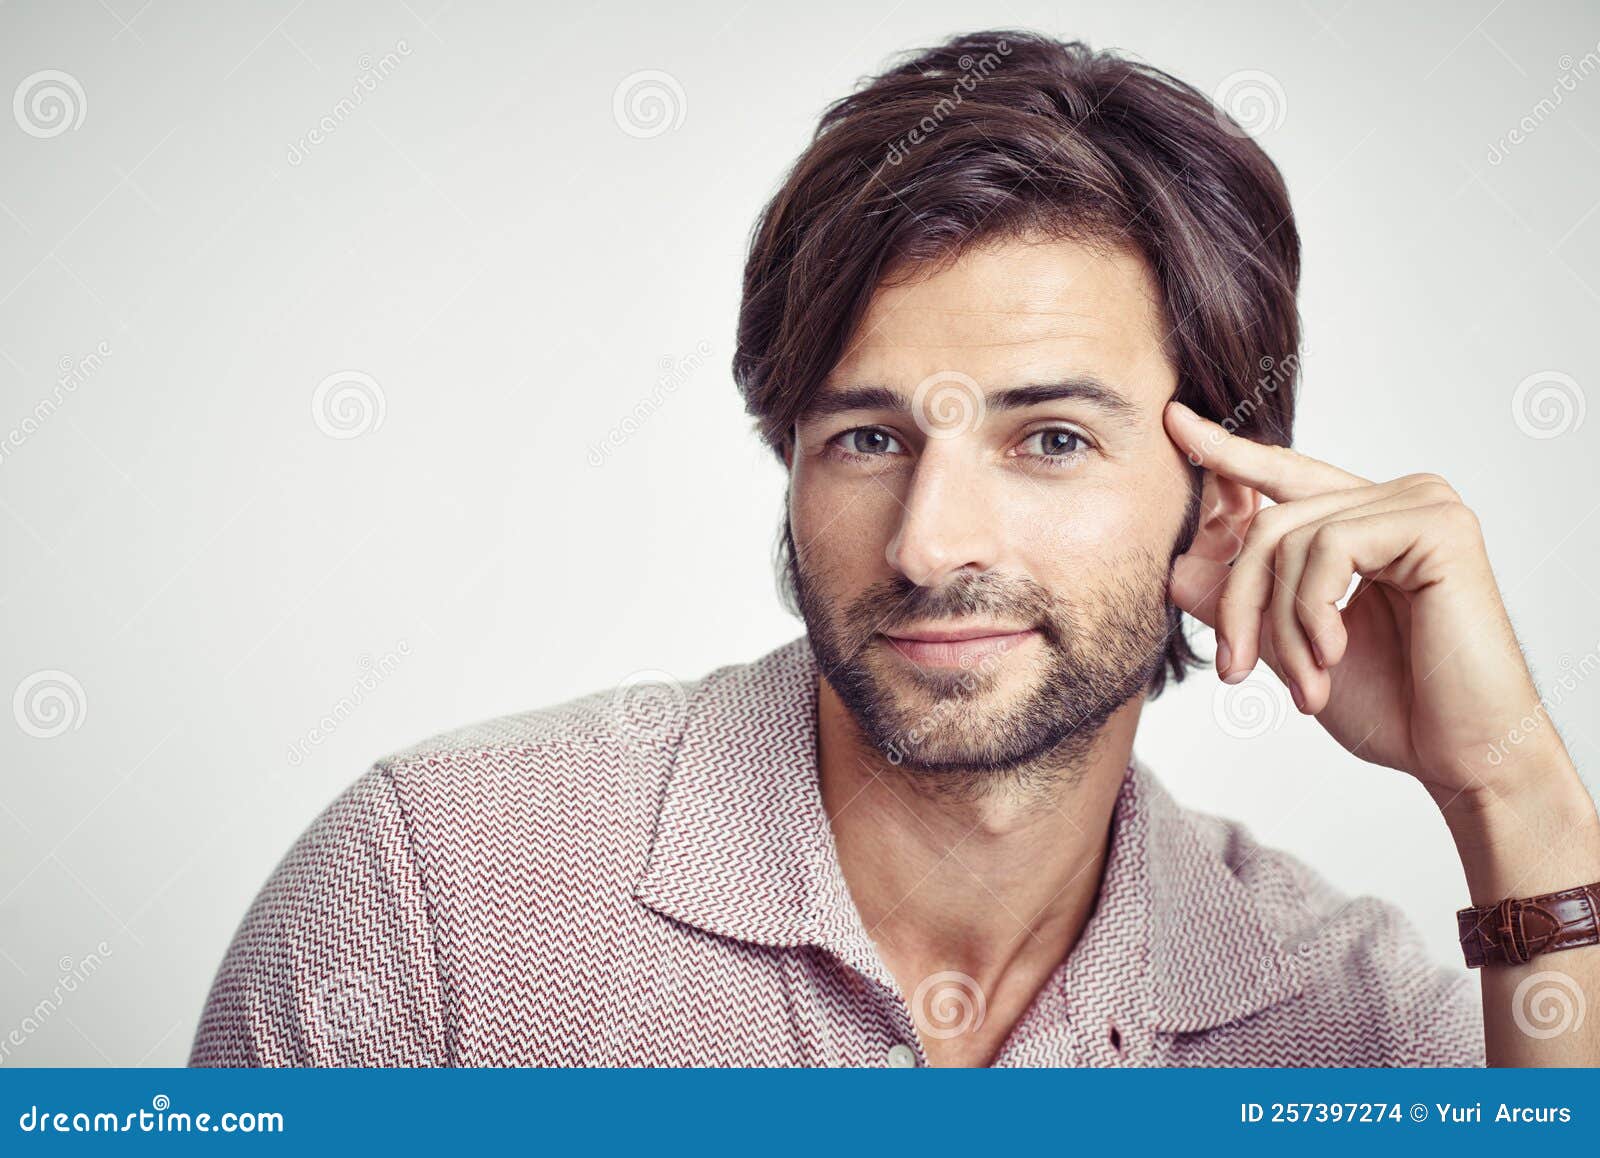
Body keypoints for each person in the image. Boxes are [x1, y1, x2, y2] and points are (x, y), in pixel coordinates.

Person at [190, 29, 1600, 1068]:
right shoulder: (433, 896)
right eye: (867, 439)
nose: (929, 544)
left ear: (1221, 501)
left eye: (1049, 438)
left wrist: (1515, 793)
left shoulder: (1352, 1017)